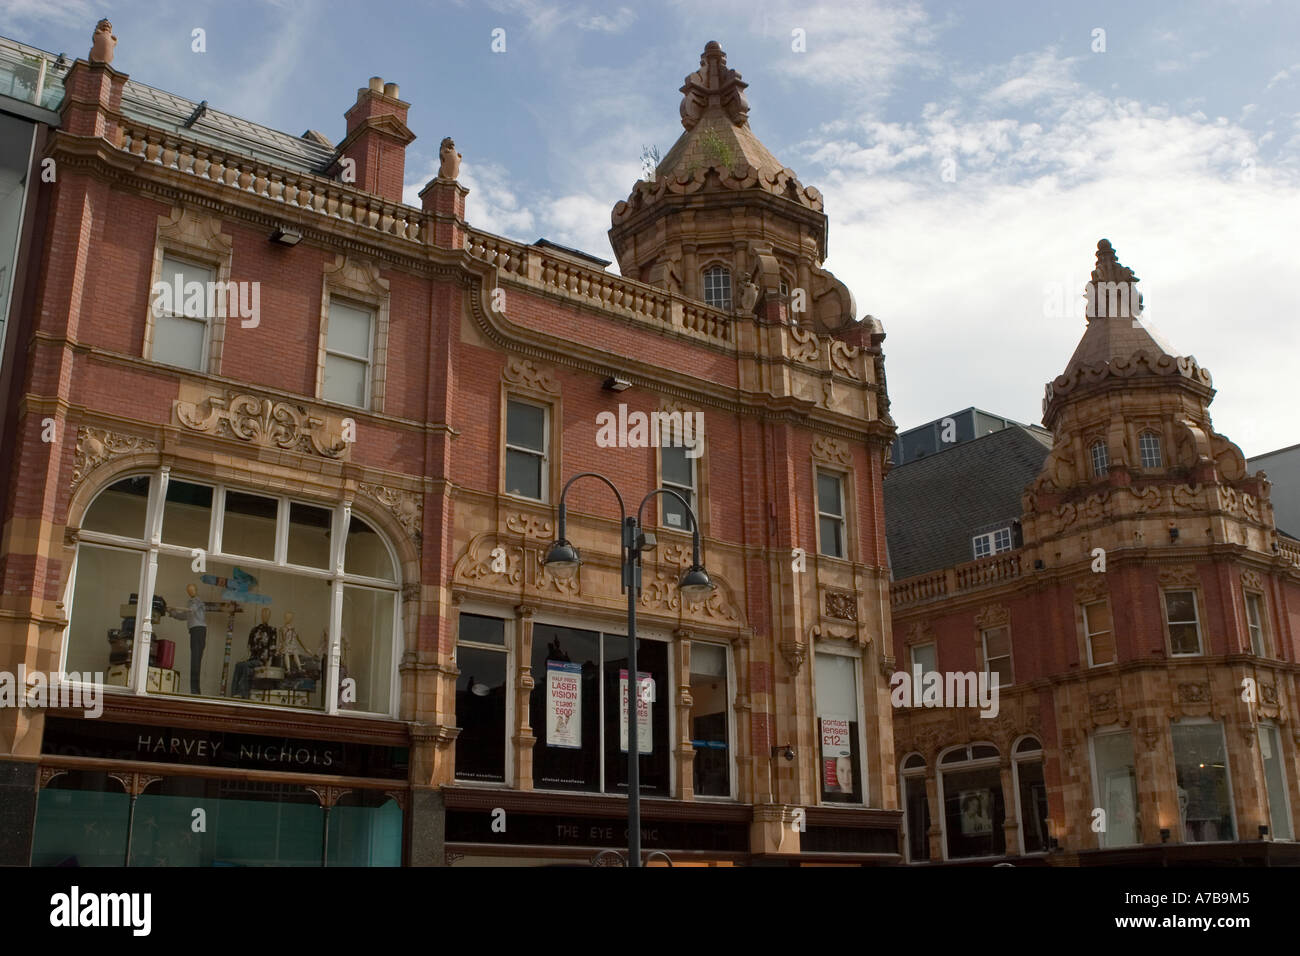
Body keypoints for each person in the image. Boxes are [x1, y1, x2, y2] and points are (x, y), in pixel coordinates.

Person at [167, 582, 206, 694]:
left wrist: (174, 607)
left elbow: (190, 610)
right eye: (188, 590)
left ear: (196, 590)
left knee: (195, 661)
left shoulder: (197, 601)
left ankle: (195, 690)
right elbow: (184, 616)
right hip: (194, 631)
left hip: (199, 631)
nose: (190, 592)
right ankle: (194, 690)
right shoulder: (190, 602)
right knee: (194, 661)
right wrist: (172, 613)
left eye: (192, 590)